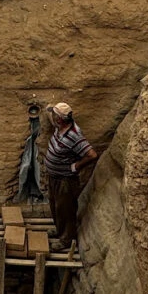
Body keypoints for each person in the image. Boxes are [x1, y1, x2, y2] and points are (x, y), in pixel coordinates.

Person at [44, 101, 97, 246]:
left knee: (65, 209)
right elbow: (49, 114)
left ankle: (66, 240)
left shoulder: (74, 135)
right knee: (55, 206)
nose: (52, 116)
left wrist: (75, 167)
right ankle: (59, 230)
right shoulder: (59, 127)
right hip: (54, 177)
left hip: (65, 180)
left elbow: (92, 155)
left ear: (60, 119)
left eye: (54, 115)